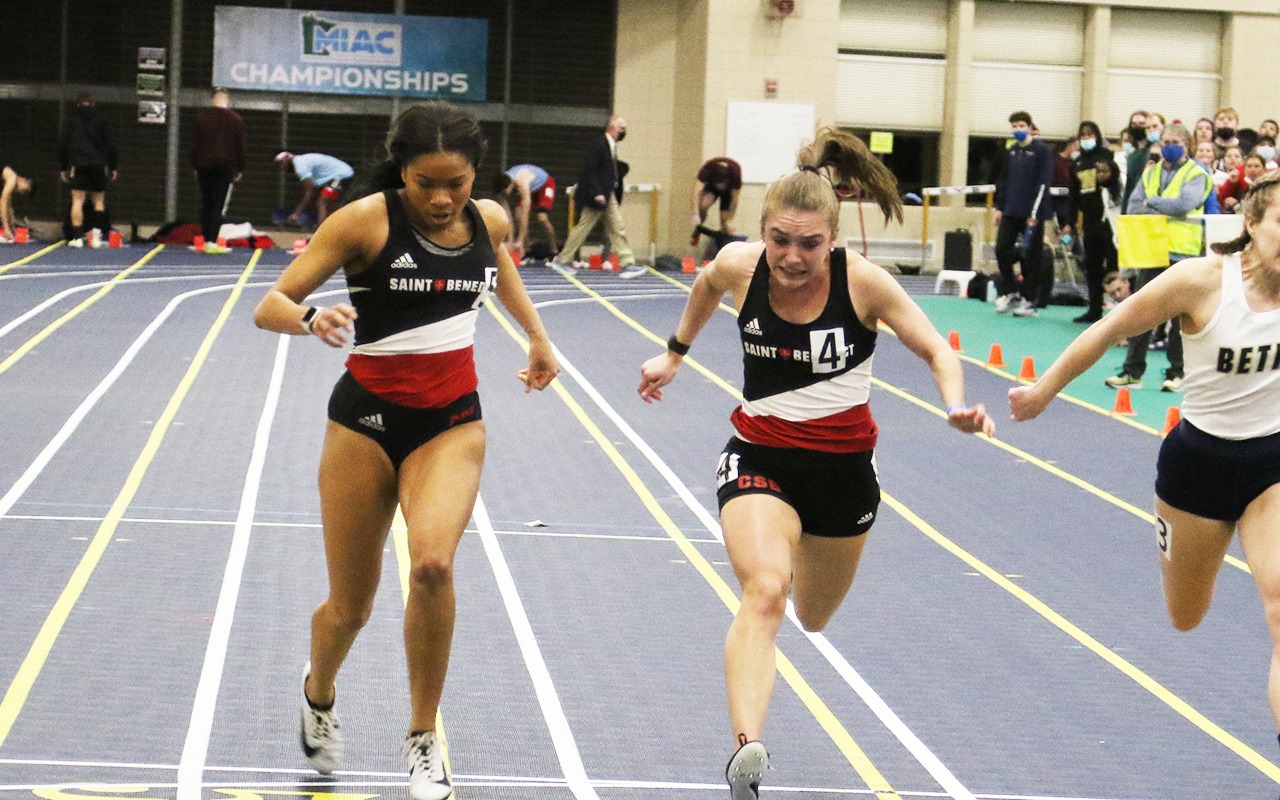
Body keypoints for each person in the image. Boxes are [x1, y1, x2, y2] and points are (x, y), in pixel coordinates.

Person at [636, 128, 995, 800]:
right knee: (765, 591)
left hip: (843, 476)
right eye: (780, 240)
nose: (793, 257)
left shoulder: (864, 285)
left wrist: (954, 405)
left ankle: (800, 551)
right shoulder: (739, 265)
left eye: (809, 244)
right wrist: (675, 353)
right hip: (759, 456)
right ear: (762, 232)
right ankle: (746, 752)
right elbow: (706, 284)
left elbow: (938, 350)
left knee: (813, 616)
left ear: (832, 239)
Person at [252, 101, 559, 800]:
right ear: (402, 172)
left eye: (456, 183)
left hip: (451, 423)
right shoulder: (363, 222)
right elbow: (268, 305)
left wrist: (537, 336)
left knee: (432, 566)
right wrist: (310, 317)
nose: (442, 199)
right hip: (363, 424)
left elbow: (498, 265)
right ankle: (319, 692)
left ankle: (424, 739)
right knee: (350, 608)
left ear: (475, 176)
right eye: (426, 184)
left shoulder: (490, 218)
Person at [1010, 171, 1280, 752]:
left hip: (1273, 464)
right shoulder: (1200, 281)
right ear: (1253, 223)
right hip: (1198, 468)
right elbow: (1109, 329)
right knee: (1186, 614)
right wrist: (1041, 392)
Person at [1110, 121, 1210, 392]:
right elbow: (1133, 206)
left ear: (1187, 146)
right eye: (1165, 143)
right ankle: (1132, 372)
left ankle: (1177, 373)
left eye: (1176, 143)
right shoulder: (1151, 173)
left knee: (1180, 317)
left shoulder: (1196, 173)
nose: (1169, 147)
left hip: (1182, 253)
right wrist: (1162, 206)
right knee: (1141, 311)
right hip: (1151, 251)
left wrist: (1151, 202)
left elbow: (1184, 205)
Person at [555, 114, 638, 272]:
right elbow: (590, 170)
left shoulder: (611, 146)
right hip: (597, 195)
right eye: (621, 128)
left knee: (618, 227)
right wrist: (596, 192)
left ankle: (628, 262)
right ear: (612, 127)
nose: (624, 132)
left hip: (607, 193)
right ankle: (563, 259)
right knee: (583, 228)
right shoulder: (599, 144)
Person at [993, 111, 1054, 317]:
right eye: (1014, 126)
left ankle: (1029, 301)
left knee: (1032, 258)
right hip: (1010, 211)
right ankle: (1011, 292)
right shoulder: (1011, 151)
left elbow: (1044, 182)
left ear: (1029, 127)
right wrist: (1000, 207)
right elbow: (1003, 181)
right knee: (1002, 250)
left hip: (1032, 215)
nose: (1017, 129)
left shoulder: (1041, 150)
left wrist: (1035, 212)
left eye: (1021, 126)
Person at [1063, 121, 1120, 322]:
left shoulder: (1108, 156)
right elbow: (1073, 195)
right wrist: (1069, 222)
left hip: (1110, 223)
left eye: (1090, 134)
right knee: (1092, 266)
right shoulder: (1077, 163)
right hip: (1089, 222)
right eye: (1083, 135)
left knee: (1113, 265)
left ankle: (1118, 309)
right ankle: (1094, 309)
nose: (1087, 138)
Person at [57, 92, 118, 247]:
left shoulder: (71, 119)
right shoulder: (101, 119)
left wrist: (63, 167)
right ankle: (96, 238)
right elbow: (110, 144)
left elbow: (63, 144)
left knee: (77, 200)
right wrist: (113, 166)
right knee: (98, 201)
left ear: (78, 104)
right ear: (93, 104)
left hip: (79, 164)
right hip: (98, 164)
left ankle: (77, 237)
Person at [190, 88, 245, 255]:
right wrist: (240, 167)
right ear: (226, 100)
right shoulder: (235, 119)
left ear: (213, 99)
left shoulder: (202, 117)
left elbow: (195, 143)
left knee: (206, 202)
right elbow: (239, 145)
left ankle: (205, 238)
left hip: (204, 165)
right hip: (224, 166)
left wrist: (194, 164)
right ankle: (212, 241)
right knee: (218, 203)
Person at [491, 163, 558, 255]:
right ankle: (527, 248)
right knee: (517, 213)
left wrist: (520, 240)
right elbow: (507, 215)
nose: (506, 194)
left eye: (505, 192)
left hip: (545, 184)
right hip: (532, 188)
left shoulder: (522, 182)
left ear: (509, 185)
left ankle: (554, 249)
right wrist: (510, 241)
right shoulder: (504, 181)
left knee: (542, 218)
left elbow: (525, 213)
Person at [276, 152, 355, 228]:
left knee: (322, 202)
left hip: (341, 176)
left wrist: (297, 213)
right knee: (332, 204)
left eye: (281, 163)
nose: (281, 167)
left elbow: (309, 192)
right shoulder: (301, 160)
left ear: (287, 158)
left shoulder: (300, 167)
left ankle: (322, 230)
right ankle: (339, 227)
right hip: (340, 175)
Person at [691, 157, 743, 246]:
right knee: (703, 204)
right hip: (712, 188)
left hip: (727, 191)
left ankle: (723, 244)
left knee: (725, 221)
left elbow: (734, 200)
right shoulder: (707, 169)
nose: (720, 186)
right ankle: (698, 228)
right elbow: (696, 192)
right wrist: (696, 213)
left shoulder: (735, 173)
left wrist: (729, 219)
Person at [1123, 112, 1163, 210]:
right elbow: (1130, 184)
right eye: (1134, 124)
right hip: (1135, 202)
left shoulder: (1162, 151)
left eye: (1141, 124)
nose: (1151, 130)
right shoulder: (1133, 154)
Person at [0, 166, 33, 243]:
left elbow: (8, 207)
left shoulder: (9, 183)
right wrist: (6, 228)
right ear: (23, 180)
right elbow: (3, 203)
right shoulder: (12, 178)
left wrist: (12, 227)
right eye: (25, 189)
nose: (23, 192)